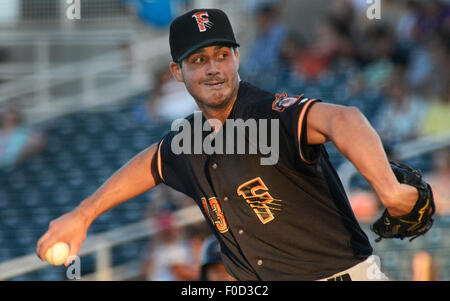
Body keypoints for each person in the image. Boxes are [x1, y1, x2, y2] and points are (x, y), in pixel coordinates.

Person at [37, 8, 420, 281]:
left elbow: (345, 118)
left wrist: (387, 188)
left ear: (237, 57)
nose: (214, 68)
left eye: (222, 55)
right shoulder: (188, 140)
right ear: (177, 72)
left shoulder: (271, 112)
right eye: (199, 59)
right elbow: (151, 161)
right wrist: (84, 215)